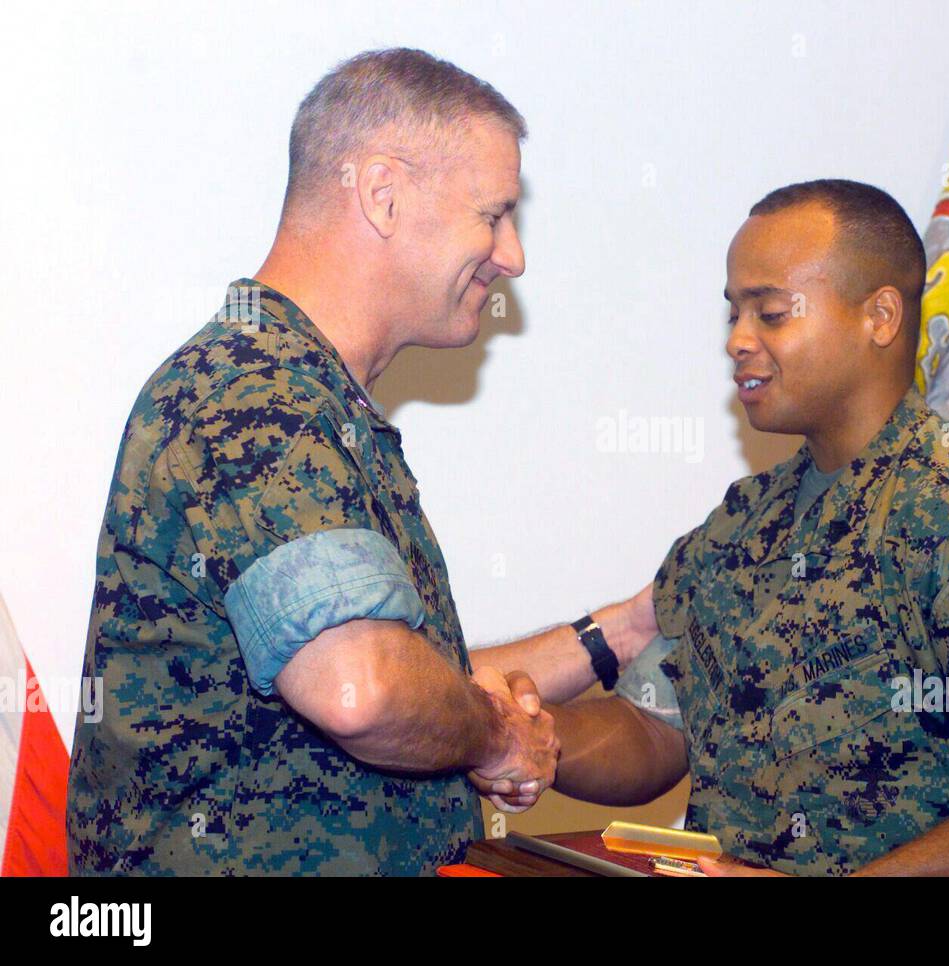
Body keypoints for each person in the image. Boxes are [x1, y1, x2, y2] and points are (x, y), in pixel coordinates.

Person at [67, 48, 658, 875]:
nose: (512, 256)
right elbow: (363, 690)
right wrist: (497, 738)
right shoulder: (257, 395)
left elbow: (408, 671)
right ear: (382, 195)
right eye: (493, 215)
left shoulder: (301, 393)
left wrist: (623, 630)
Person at [522, 180, 949, 876]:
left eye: (771, 313)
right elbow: (652, 729)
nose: (737, 341)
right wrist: (526, 735)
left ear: (880, 317)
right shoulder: (745, 521)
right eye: (734, 314)